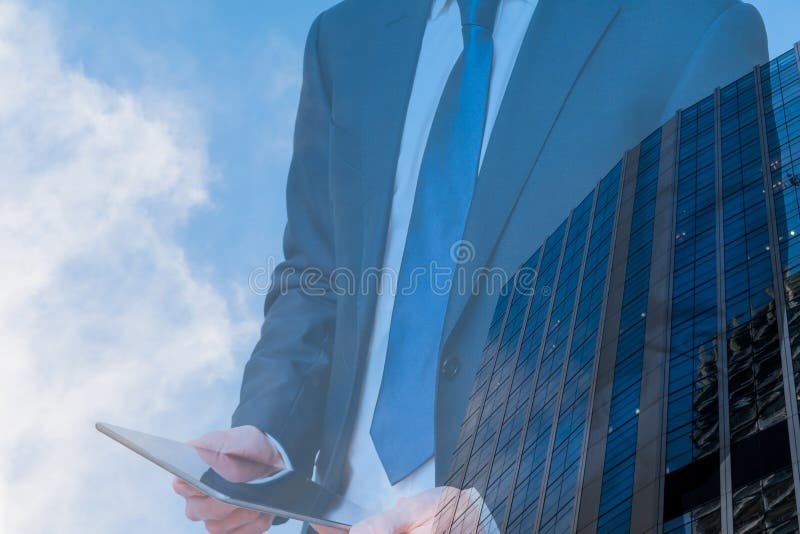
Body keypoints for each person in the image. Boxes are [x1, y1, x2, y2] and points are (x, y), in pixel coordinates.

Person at [173, 0, 768, 532]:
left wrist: (508, 506)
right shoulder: (343, 37)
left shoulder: (694, 26)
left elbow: (712, 333)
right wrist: (273, 434)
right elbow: (318, 274)